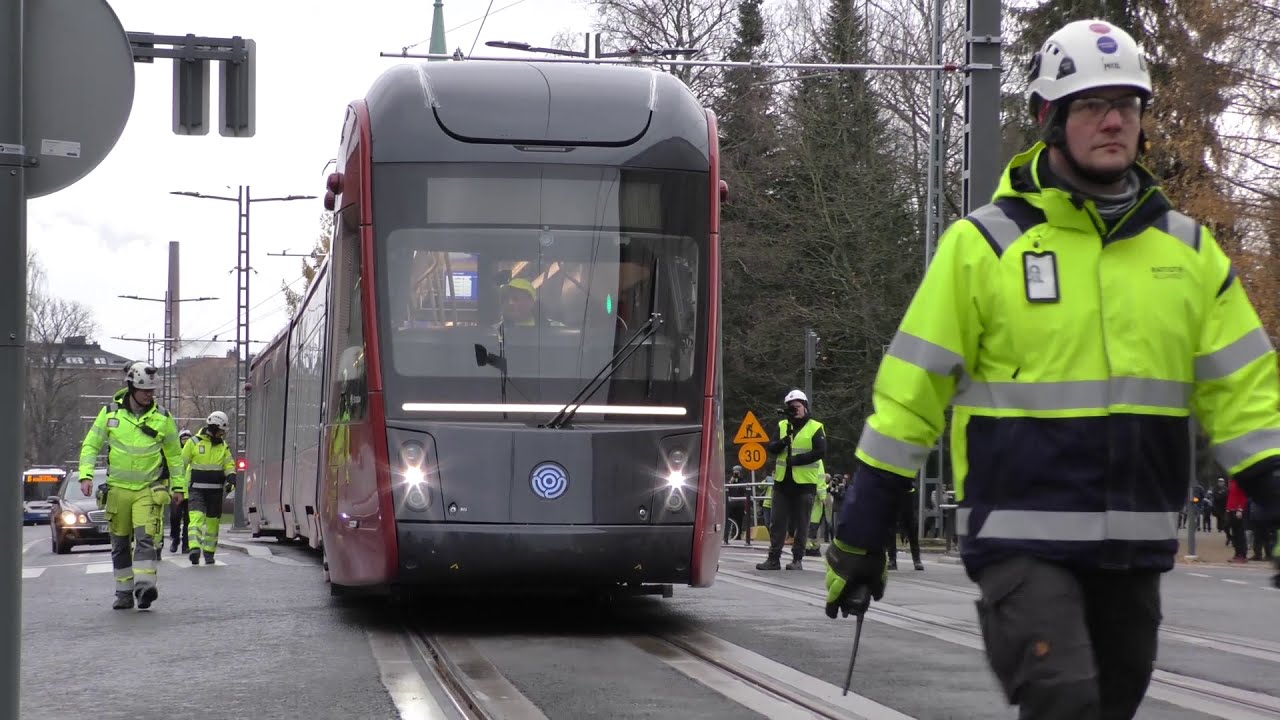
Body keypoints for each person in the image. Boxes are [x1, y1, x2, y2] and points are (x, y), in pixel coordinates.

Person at [822, 19, 1280, 720]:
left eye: (1126, 106)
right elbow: (911, 393)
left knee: (1108, 707)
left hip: (1134, 551)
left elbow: (1245, 395)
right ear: (1050, 119)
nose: (1113, 122)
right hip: (1019, 544)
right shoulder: (983, 247)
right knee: (1065, 702)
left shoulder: (1188, 253)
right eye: (1092, 106)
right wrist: (865, 523)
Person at [77, 362, 186, 610]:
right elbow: (91, 445)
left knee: (146, 539)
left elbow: (175, 457)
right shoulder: (110, 414)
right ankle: (124, 593)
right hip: (117, 490)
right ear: (131, 387)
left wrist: (179, 488)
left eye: (152, 391)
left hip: (147, 490)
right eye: (144, 390)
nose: (150, 395)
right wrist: (86, 475)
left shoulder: (163, 419)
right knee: (120, 543)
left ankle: (145, 587)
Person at [756, 389, 825, 571]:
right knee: (777, 522)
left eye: (798, 407)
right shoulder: (782, 425)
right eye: (792, 407)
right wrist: (782, 442)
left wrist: (797, 460)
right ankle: (773, 558)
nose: (796, 410)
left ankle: (797, 559)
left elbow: (820, 452)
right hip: (782, 482)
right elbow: (771, 447)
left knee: (802, 523)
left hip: (804, 484)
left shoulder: (815, 427)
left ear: (805, 407)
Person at [181, 411, 237, 565]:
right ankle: (194, 548)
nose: (222, 435)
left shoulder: (223, 446)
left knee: (213, 523)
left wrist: (231, 476)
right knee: (196, 518)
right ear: (214, 428)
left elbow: (228, 464)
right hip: (196, 489)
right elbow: (181, 465)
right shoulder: (193, 443)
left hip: (215, 491)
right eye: (221, 431)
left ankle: (209, 552)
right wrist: (178, 488)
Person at [168, 429, 193, 553]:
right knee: (175, 517)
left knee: (188, 520)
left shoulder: (194, 452)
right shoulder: (176, 453)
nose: (186, 441)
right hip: (176, 491)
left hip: (190, 491)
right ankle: (175, 539)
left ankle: (186, 544)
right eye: (184, 439)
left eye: (188, 439)